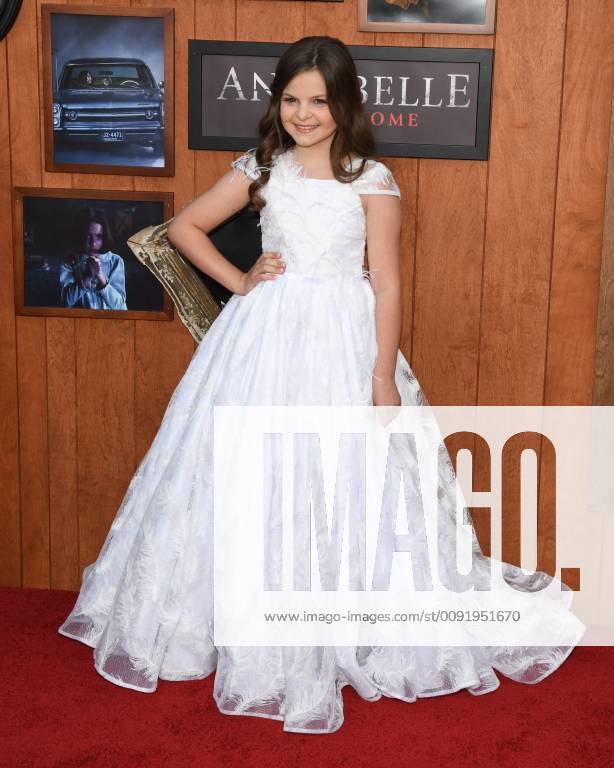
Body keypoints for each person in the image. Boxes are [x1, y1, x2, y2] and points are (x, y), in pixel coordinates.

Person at [58, 36, 584, 733]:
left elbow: (388, 281)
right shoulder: (261, 167)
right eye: (292, 100)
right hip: (262, 340)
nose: (304, 114)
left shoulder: (371, 179)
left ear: (345, 105)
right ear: (277, 102)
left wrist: (381, 376)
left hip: (343, 339)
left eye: (319, 101)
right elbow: (184, 228)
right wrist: (241, 280)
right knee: (244, 474)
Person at [59, 208, 128, 310]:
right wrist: (87, 276)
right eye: (88, 236)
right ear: (80, 236)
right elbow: (66, 301)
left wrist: (100, 276)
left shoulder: (115, 261)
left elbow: (118, 305)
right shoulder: (69, 260)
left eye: (98, 236)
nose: (93, 243)